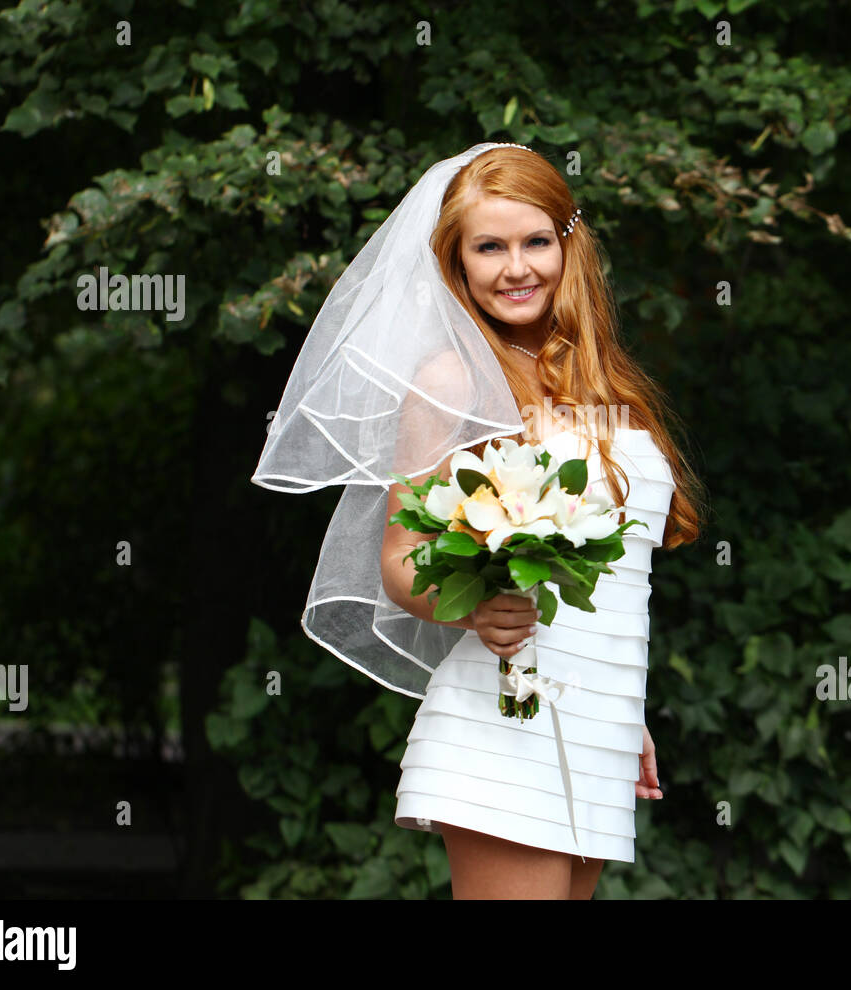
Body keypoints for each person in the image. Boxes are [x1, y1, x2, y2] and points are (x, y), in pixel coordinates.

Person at [253, 142, 703, 899]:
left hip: (597, 725)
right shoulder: (453, 379)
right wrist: (474, 610)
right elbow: (400, 559)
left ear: (570, 243)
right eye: (488, 247)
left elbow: (619, 580)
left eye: (535, 241)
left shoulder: (607, 379)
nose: (515, 267)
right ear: (456, 261)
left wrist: (623, 713)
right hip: (504, 717)